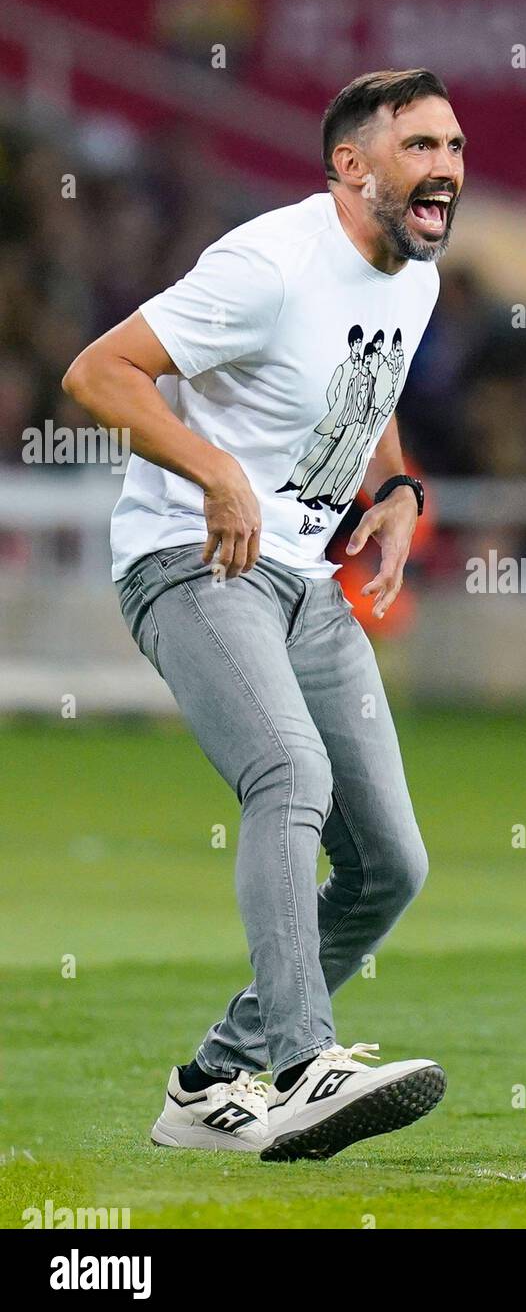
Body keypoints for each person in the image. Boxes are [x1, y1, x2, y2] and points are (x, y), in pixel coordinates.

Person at [62, 69, 465, 1161]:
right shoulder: (267, 264)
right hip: (193, 558)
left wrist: (395, 489)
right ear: (351, 165)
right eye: (420, 145)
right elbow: (100, 372)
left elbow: (361, 397)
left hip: (303, 582)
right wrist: (215, 474)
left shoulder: (412, 279)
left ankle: (208, 1085)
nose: (445, 169)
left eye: (454, 147)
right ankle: (303, 1066)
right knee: (290, 775)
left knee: (391, 866)